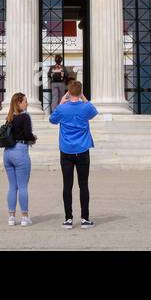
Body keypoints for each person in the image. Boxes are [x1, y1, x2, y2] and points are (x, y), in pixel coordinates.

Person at [48, 79, 99, 228]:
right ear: (81, 92)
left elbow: (52, 119)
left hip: (66, 150)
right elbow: (94, 111)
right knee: (83, 185)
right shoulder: (85, 107)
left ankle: (68, 219)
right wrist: (83, 97)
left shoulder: (62, 109)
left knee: (67, 185)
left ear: (68, 92)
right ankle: (85, 218)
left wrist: (62, 102)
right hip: (82, 149)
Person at [2, 92, 37, 226]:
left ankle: (11, 217)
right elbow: (27, 134)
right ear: (19, 103)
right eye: (25, 101)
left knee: (12, 186)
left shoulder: (9, 117)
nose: (27, 104)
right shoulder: (25, 117)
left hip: (7, 153)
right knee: (23, 186)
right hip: (20, 151)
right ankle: (24, 217)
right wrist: (34, 138)